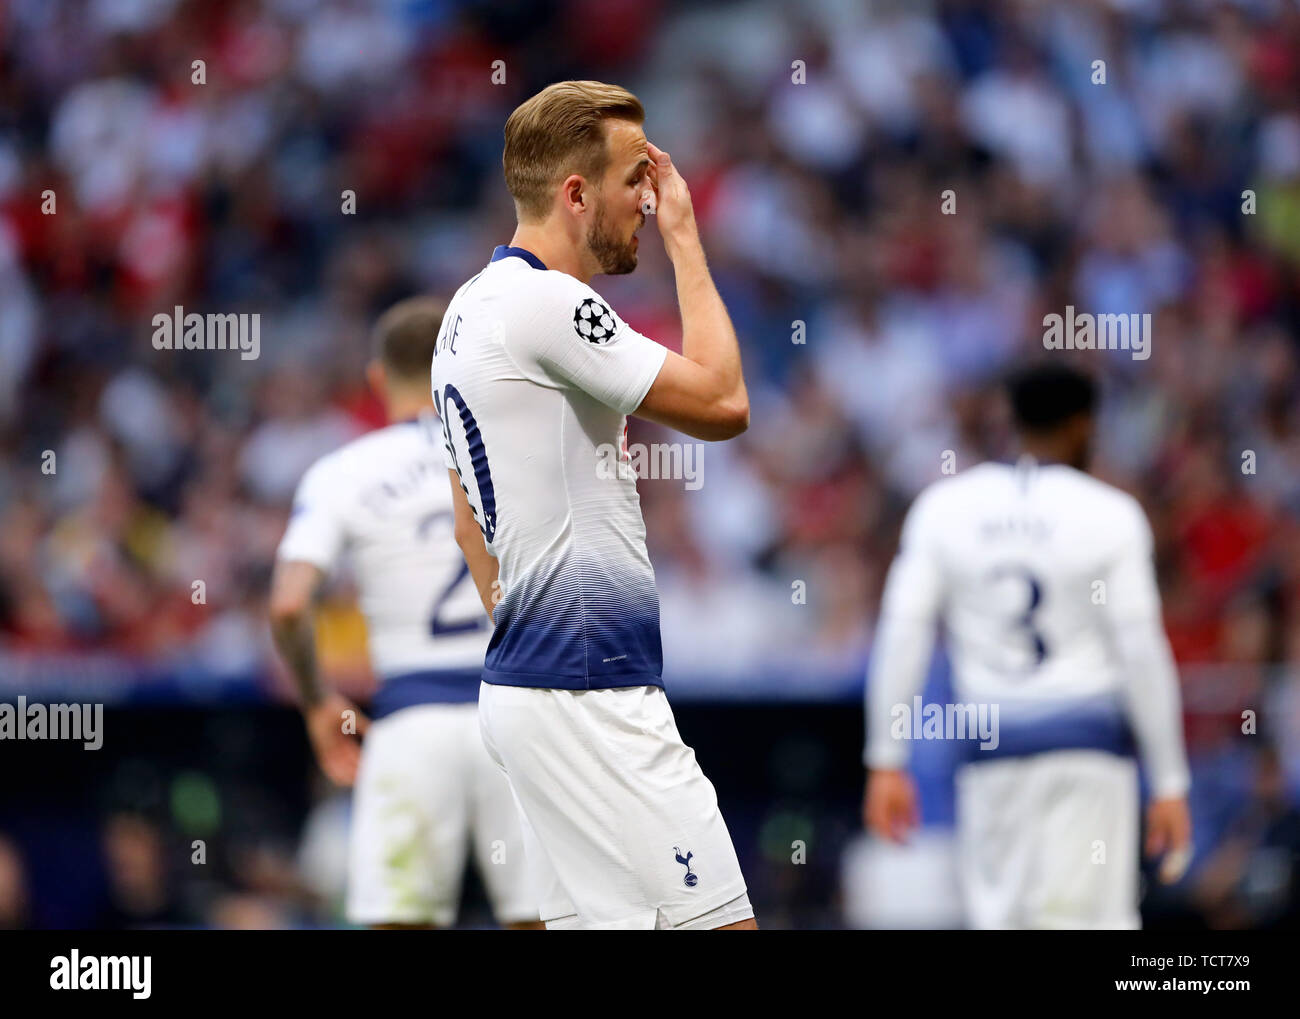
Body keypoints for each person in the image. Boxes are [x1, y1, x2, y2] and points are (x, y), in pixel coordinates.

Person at [431, 80, 756, 930]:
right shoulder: (548, 304)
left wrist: (529, 635)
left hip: (528, 686)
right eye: (635, 180)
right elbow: (724, 403)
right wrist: (688, 238)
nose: (650, 201)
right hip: (588, 693)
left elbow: (470, 522)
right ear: (576, 194)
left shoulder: (465, 311)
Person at [863, 362, 1192, 929]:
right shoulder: (1111, 514)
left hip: (992, 756)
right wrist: (1169, 781)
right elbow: (1141, 649)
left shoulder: (945, 509)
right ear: (1084, 424)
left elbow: (902, 633)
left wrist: (886, 761)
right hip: (1086, 755)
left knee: (1002, 922)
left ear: (1009, 420)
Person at [270, 297, 539, 929]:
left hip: (411, 723)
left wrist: (316, 701)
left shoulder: (342, 472)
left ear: (376, 379)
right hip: (518, 716)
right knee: (543, 918)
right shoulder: (517, 455)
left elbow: (287, 605)